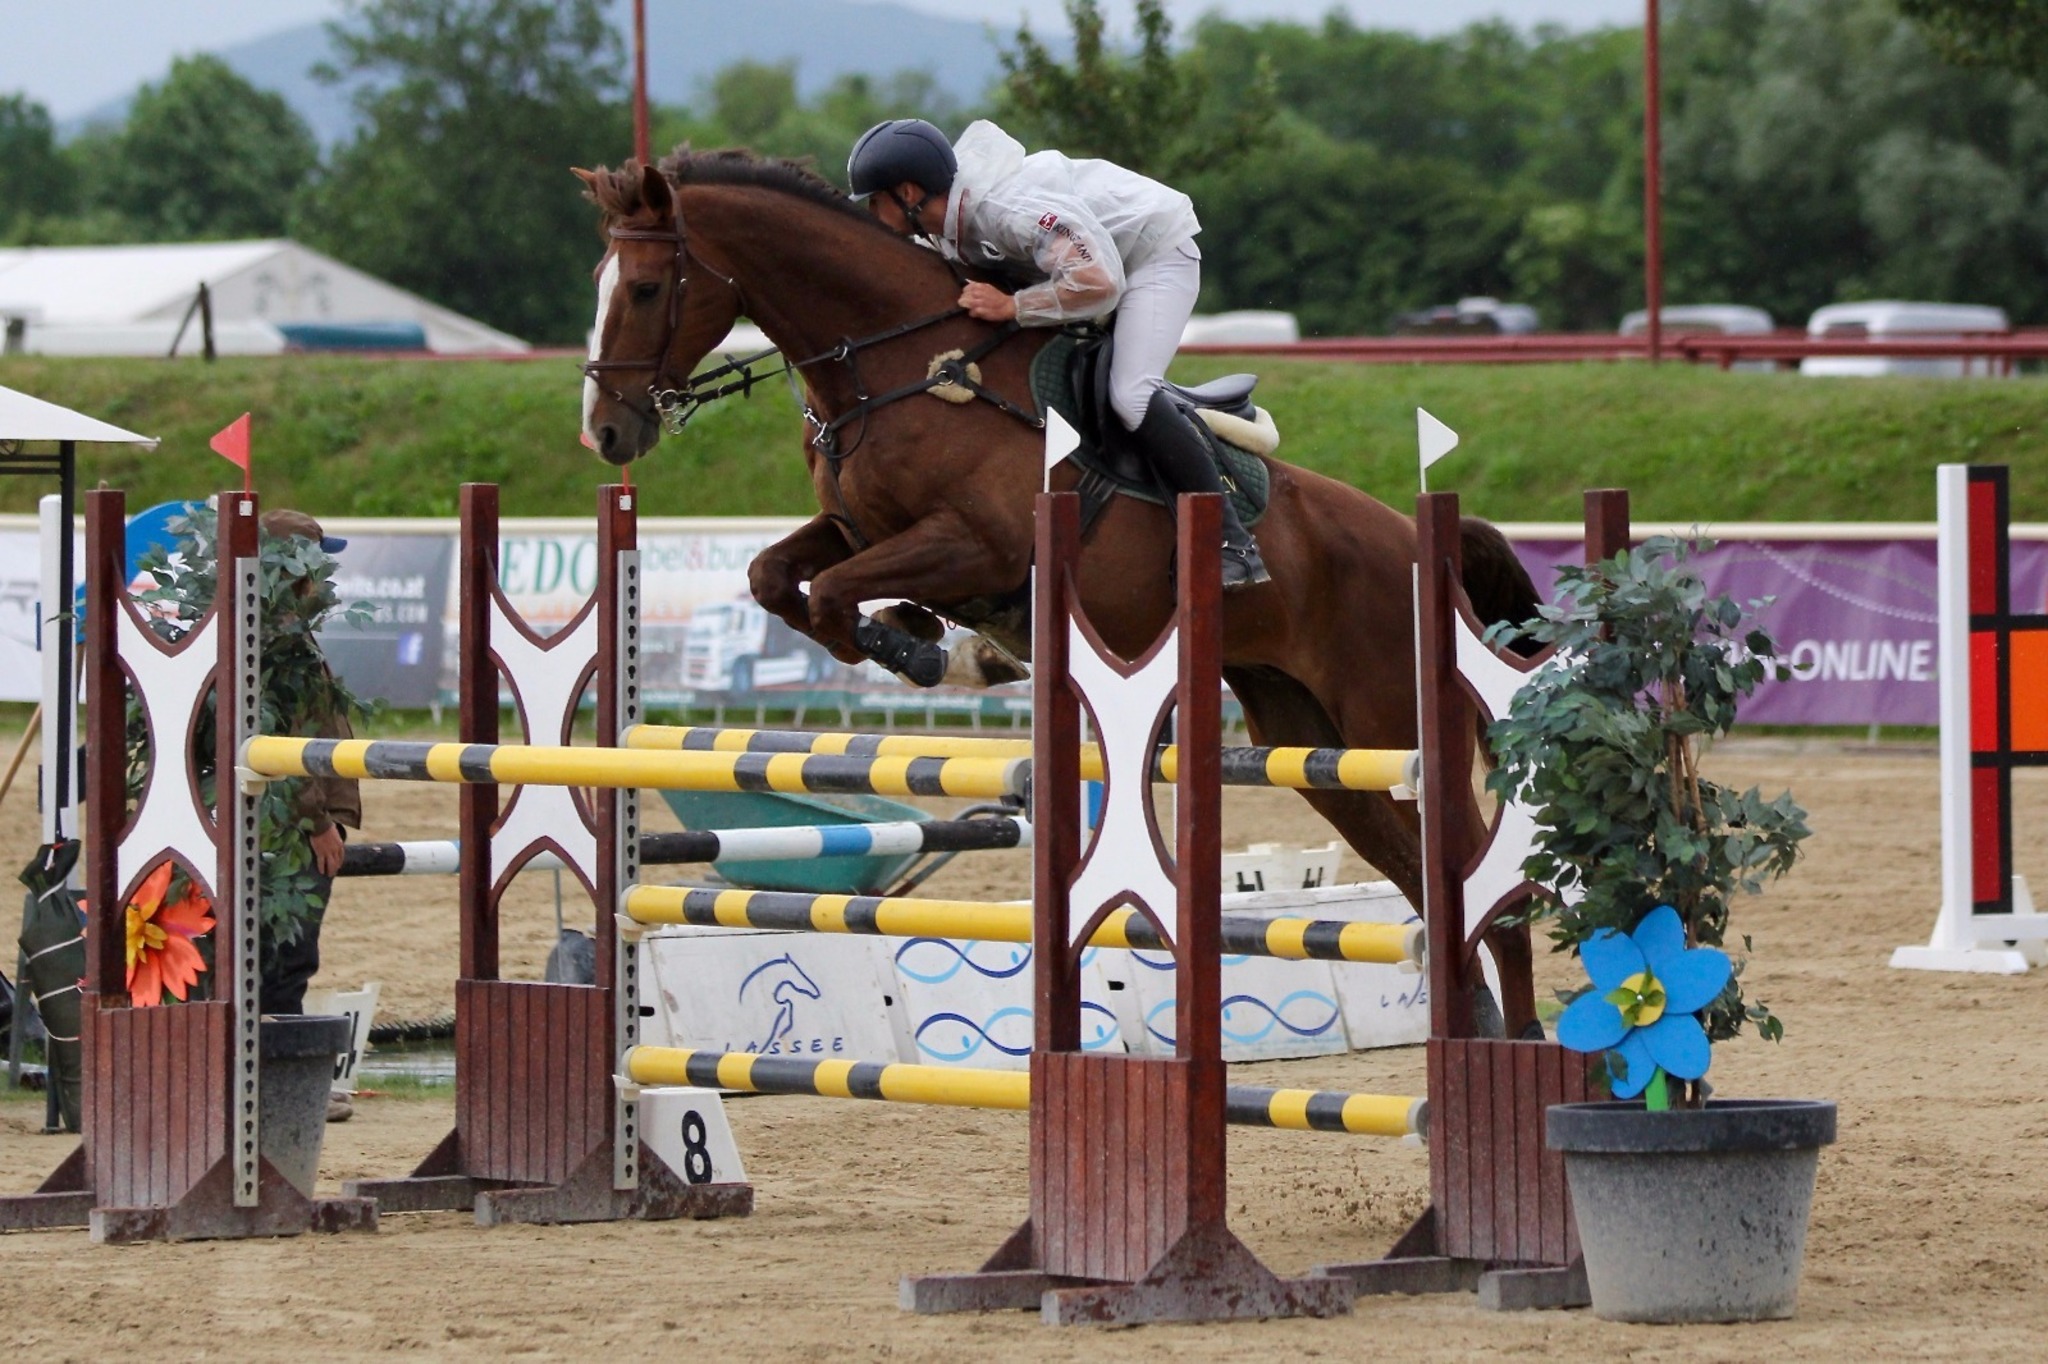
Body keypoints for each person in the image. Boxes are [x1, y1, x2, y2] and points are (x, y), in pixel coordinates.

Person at [848, 118, 1270, 590]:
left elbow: (1099, 284)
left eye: (874, 201)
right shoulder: (940, 222)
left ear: (908, 193)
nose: (869, 213)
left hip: (1154, 259)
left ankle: (1231, 541)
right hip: (1096, 268)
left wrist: (1013, 306)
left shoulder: (1006, 211)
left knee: (1129, 395)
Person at [256, 508, 361, 1122]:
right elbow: (283, 740)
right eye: (320, 564)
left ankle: (276, 1079)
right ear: (296, 568)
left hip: (281, 819)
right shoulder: (283, 638)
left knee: (278, 954)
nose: (327, 577)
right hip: (292, 825)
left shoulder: (273, 626)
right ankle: (287, 1087)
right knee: (288, 955)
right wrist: (315, 820)